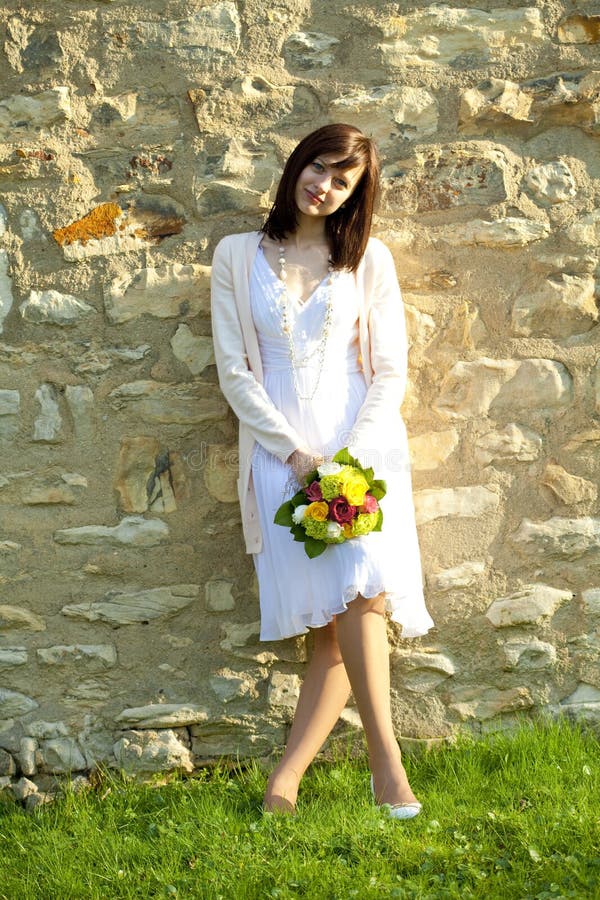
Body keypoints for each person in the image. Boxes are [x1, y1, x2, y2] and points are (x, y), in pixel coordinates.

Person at [210, 123, 435, 818]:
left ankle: (383, 762)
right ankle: (291, 779)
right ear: (296, 164)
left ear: (356, 194)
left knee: (362, 589)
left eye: (344, 180)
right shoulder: (236, 255)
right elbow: (235, 372)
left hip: (358, 450)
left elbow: (390, 369)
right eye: (319, 167)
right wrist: (297, 455)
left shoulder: (370, 259)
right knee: (330, 628)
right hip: (280, 454)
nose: (326, 185)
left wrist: (346, 459)